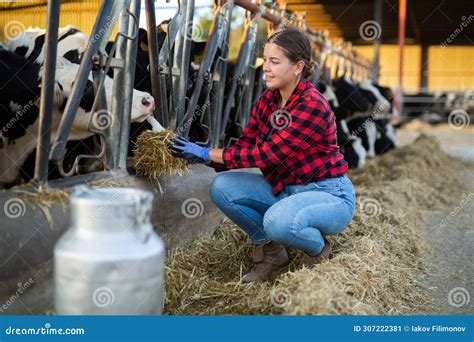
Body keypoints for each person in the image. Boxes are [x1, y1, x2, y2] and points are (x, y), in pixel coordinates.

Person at [172, 28, 356, 283]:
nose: (265, 68)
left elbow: (268, 155)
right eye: (265, 60)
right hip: (285, 190)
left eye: (274, 61)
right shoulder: (268, 101)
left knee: (277, 222)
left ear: (297, 67)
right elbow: (246, 143)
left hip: (327, 194)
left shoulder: (311, 104)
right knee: (222, 188)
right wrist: (205, 158)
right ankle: (271, 253)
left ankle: (318, 250)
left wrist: (208, 152)